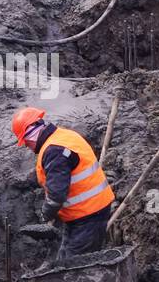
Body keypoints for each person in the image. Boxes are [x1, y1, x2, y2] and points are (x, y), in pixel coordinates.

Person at [11, 106, 115, 256]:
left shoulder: (54, 150)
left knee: (75, 266)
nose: (28, 147)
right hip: (85, 212)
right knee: (65, 258)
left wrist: (46, 213)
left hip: (88, 214)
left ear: (30, 135)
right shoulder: (63, 135)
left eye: (26, 143)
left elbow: (57, 195)